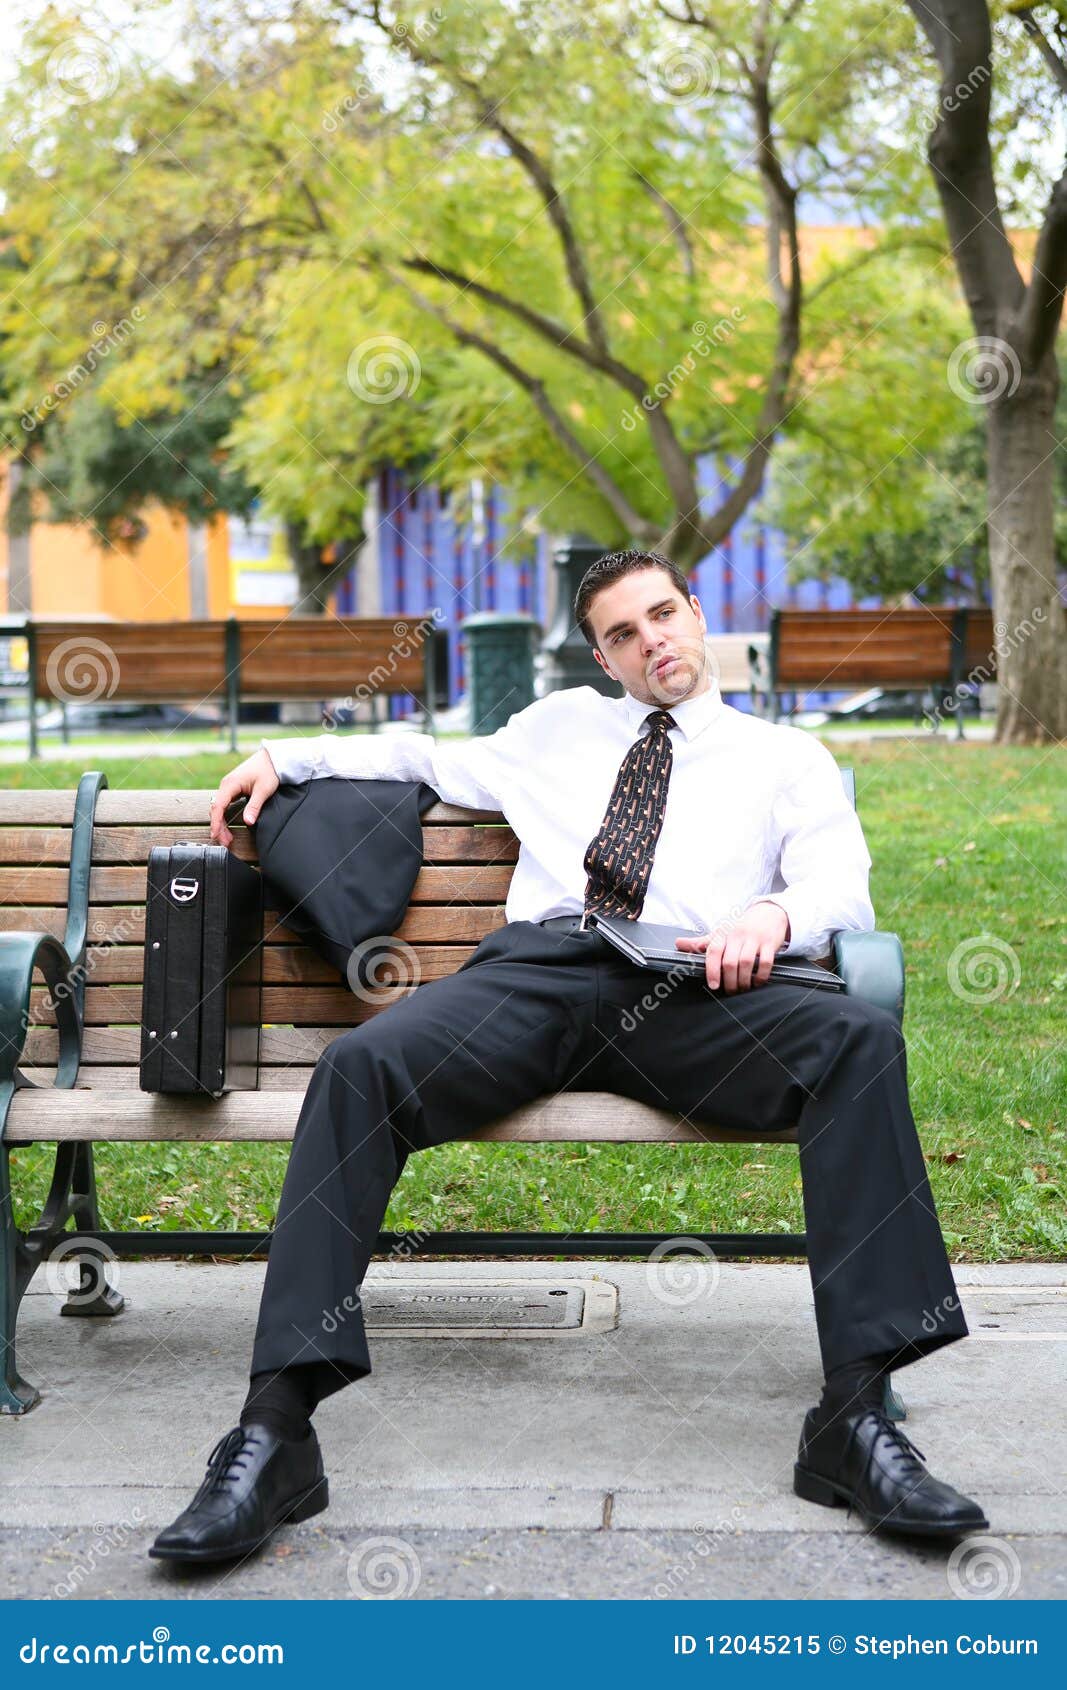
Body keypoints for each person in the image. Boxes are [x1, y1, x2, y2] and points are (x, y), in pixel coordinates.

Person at [148, 549, 987, 1565]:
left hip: (688, 991)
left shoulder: (783, 757)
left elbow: (838, 886)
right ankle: (276, 1429)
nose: (652, 642)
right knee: (358, 1069)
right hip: (538, 979)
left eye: (662, 614)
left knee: (859, 1041)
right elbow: (421, 756)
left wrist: (771, 915)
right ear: (602, 656)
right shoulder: (551, 730)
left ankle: (852, 1420)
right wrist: (286, 757)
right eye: (623, 634)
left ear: (695, 610)